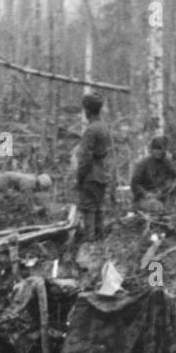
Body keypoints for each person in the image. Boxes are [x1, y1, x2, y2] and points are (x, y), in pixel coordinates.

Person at [75, 92, 113, 241]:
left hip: (91, 174)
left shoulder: (91, 130)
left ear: (88, 111)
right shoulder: (104, 126)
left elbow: (85, 158)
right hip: (102, 173)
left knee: (89, 208)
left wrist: (79, 176)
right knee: (99, 207)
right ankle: (100, 239)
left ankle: (90, 242)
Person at [130, 136, 176, 211]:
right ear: (152, 150)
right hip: (144, 198)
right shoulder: (143, 164)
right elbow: (135, 184)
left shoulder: (168, 163)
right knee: (156, 206)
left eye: (160, 149)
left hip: (162, 195)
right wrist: (145, 194)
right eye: (155, 149)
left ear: (164, 150)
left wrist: (164, 189)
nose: (158, 151)